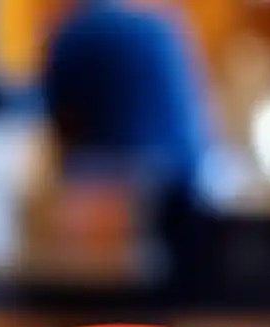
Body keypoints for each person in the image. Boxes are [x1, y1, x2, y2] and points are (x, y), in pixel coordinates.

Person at [40, 0, 209, 302]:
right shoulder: (161, 25)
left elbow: (59, 125)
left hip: (116, 214)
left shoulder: (76, 32)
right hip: (184, 208)